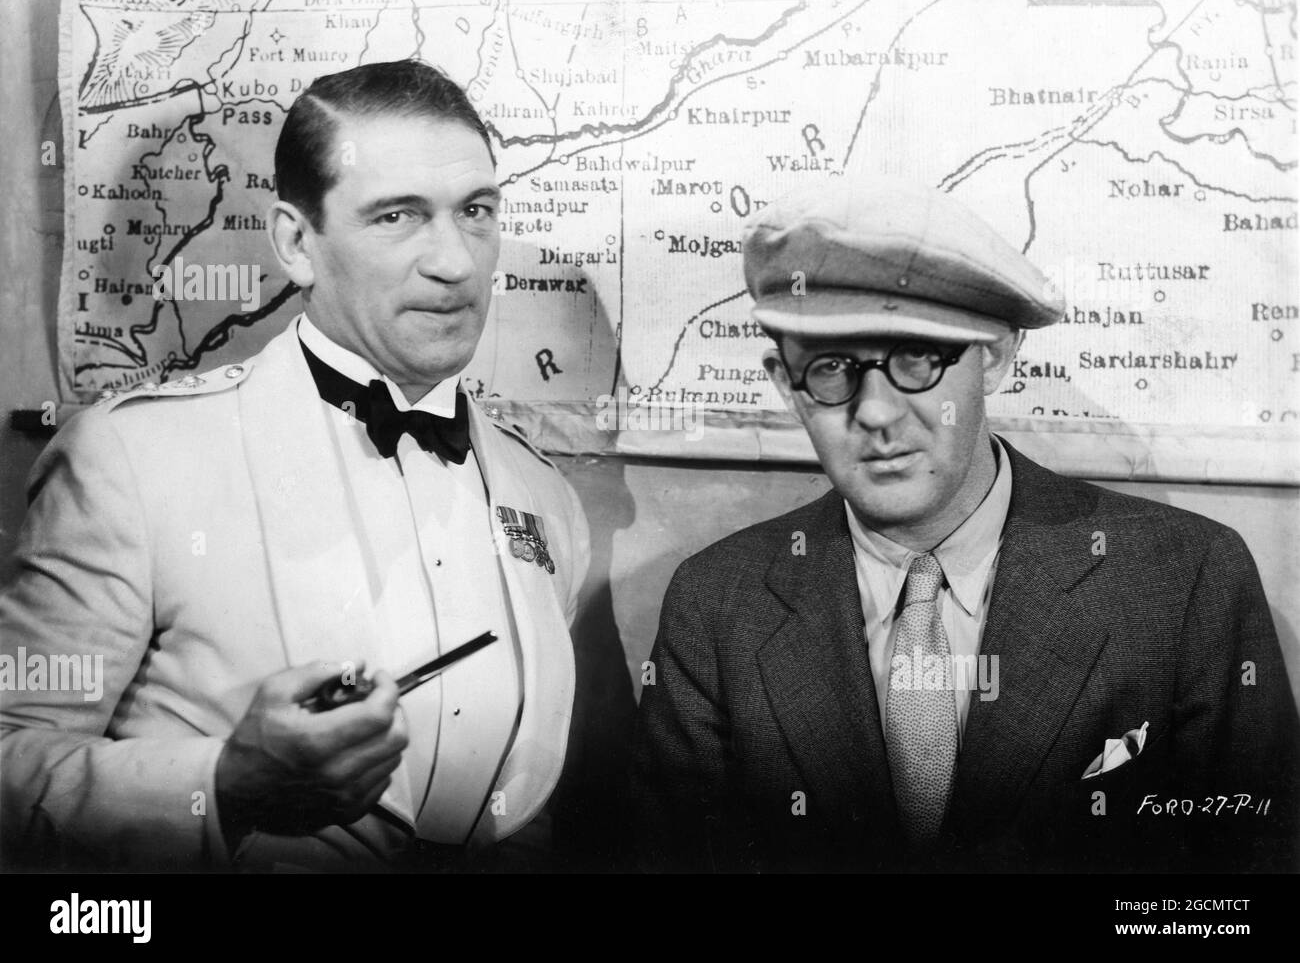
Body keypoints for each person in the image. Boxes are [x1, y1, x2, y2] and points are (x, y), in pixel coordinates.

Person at [0, 60, 590, 872]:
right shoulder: (135, 458)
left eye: (476, 212)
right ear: (295, 243)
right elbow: (11, 760)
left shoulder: (545, 498)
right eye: (398, 216)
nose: (455, 261)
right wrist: (225, 785)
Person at [630, 175, 1300, 873]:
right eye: (831, 369)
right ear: (784, 385)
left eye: (917, 358)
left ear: (995, 357)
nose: (878, 413)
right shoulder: (715, 606)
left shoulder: (1184, 581)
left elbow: (1236, 900)